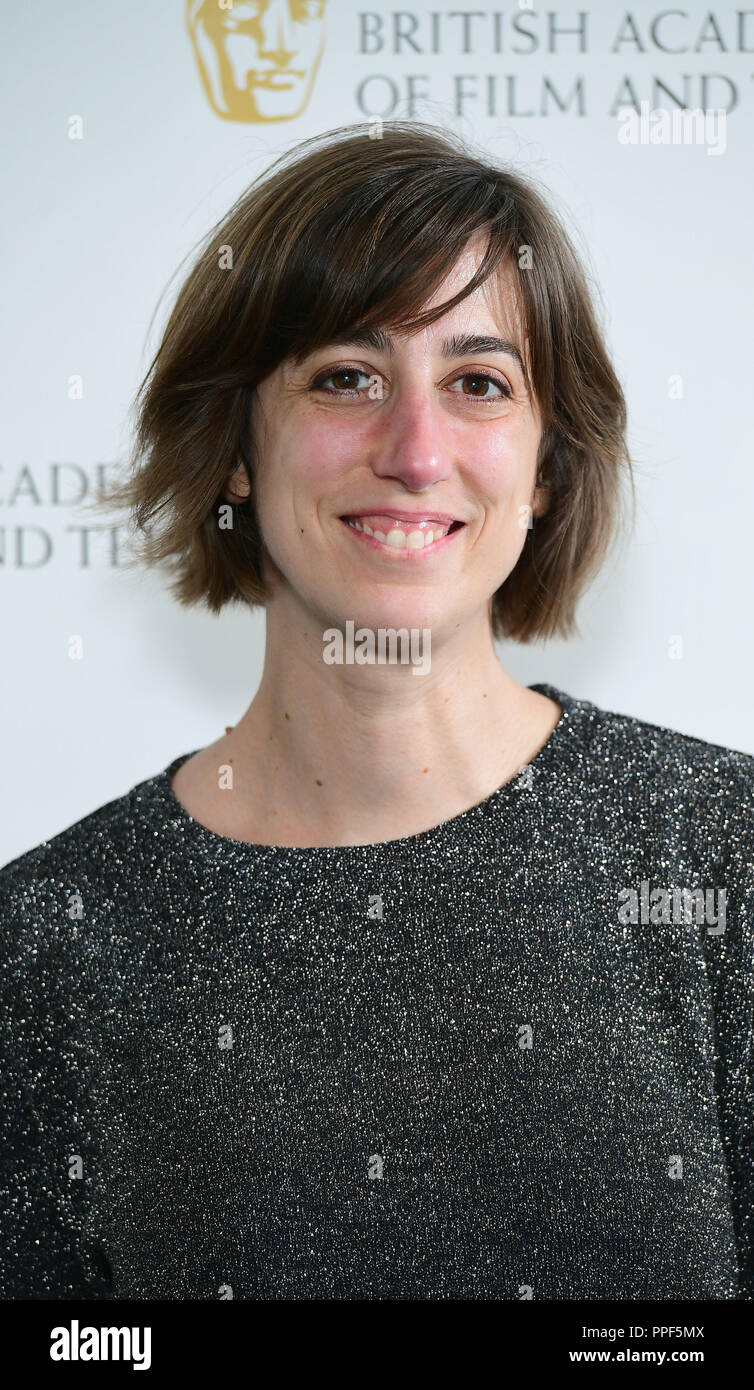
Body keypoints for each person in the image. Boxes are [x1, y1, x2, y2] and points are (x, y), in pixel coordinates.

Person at [1, 121, 752, 1301]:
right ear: (238, 448)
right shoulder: (48, 942)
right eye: (346, 376)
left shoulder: (723, 851)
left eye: (477, 383)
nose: (414, 450)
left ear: (547, 465)